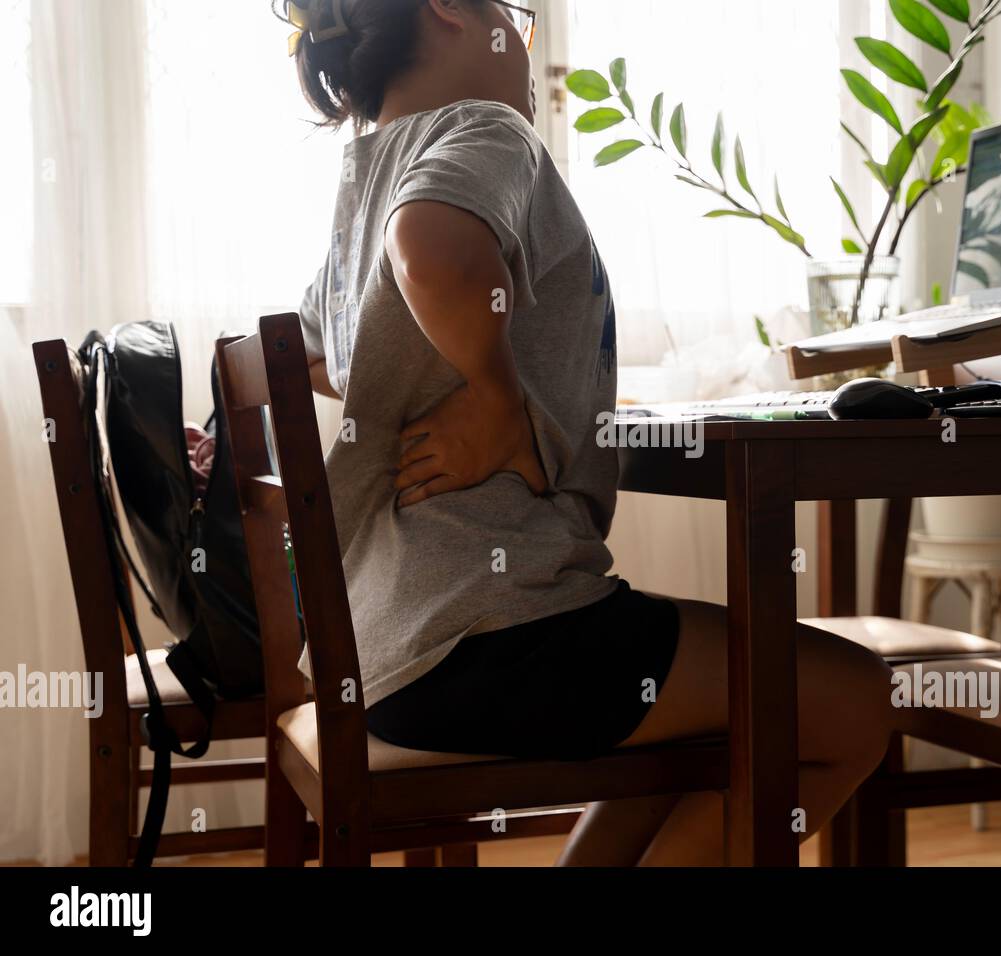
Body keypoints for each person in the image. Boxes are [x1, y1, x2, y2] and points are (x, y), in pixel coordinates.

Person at [277, 0, 895, 866]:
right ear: (449, 10)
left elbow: (313, 348)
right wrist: (493, 397)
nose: (526, 44)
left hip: (390, 656)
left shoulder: (365, 178)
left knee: (732, 728)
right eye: (517, 15)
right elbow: (430, 248)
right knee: (854, 701)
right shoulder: (485, 130)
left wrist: (427, 378)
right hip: (491, 633)